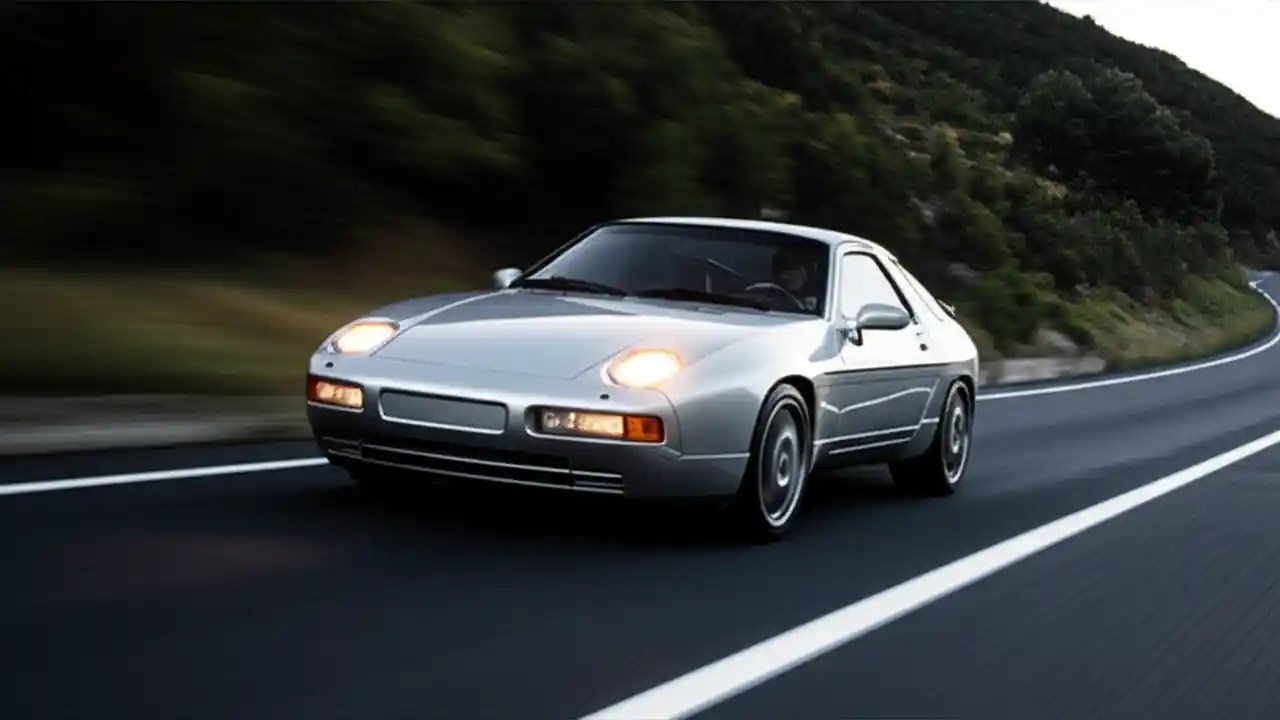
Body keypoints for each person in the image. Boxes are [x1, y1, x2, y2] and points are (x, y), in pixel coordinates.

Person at [771, 245, 822, 311]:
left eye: (792, 269)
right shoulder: (769, 297)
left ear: (806, 271)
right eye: (781, 271)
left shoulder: (825, 300)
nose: (785, 276)